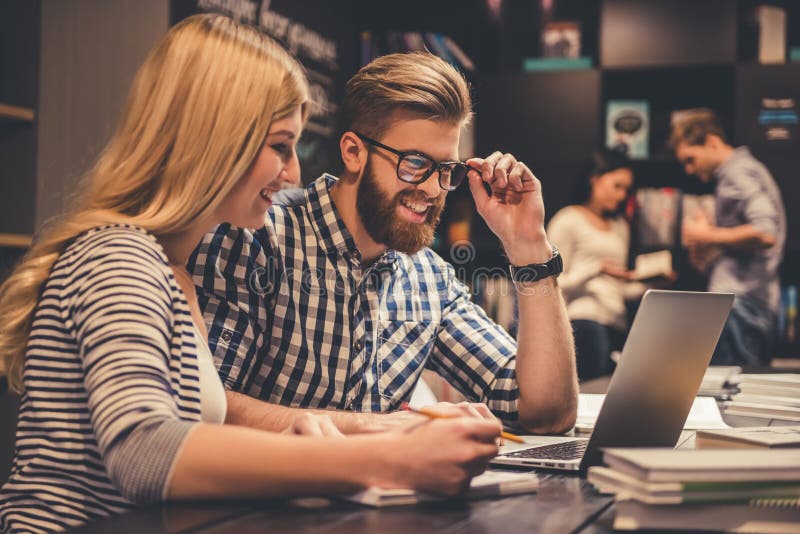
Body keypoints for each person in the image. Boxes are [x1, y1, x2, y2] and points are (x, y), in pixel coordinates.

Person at [0, 16, 503, 533]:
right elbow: (144, 451)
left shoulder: (176, 272)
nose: (293, 174)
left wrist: (312, 434)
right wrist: (387, 455)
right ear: (215, 142)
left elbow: (192, 437)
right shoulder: (118, 257)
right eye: (280, 146)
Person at [189, 52, 578, 435]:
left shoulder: (430, 279)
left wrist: (529, 246)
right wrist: (379, 428)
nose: (430, 188)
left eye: (446, 170)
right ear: (354, 152)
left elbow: (544, 411)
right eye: (414, 163)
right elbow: (205, 404)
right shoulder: (255, 235)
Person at [671, 109, 786, 366]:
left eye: (691, 159)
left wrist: (707, 235)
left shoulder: (736, 172)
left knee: (727, 397)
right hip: (750, 302)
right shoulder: (743, 171)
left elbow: (766, 232)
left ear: (712, 142)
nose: (690, 170)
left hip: (740, 305)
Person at [546, 150, 645, 380]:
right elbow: (551, 282)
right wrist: (595, 268)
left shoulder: (620, 225)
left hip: (617, 323)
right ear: (595, 178)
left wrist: (652, 284)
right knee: (590, 391)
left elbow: (618, 289)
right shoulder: (568, 219)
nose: (622, 195)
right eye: (616, 186)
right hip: (585, 321)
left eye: (626, 189)